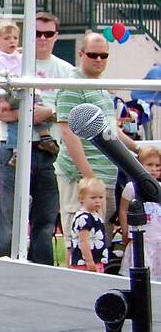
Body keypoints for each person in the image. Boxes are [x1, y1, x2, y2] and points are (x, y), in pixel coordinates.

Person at [0, 12, 74, 263]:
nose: (42, 38)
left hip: (50, 151)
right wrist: (24, 115)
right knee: (9, 218)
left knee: (45, 221)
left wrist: (48, 112)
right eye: (36, 33)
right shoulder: (11, 61)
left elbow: (73, 112)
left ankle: (43, 272)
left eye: (48, 34)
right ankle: (3, 270)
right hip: (13, 147)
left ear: (56, 36)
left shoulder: (66, 71)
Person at [55, 31, 138, 252]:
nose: (99, 60)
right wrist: (89, 175)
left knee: (102, 242)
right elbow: (68, 133)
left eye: (104, 55)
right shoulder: (73, 86)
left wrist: (138, 148)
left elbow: (110, 129)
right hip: (82, 179)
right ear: (81, 54)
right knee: (81, 244)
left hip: (105, 178)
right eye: (93, 55)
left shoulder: (100, 86)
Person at [119, 144, 161, 269]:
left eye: (157, 166)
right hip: (141, 238)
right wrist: (125, 231)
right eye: (149, 165)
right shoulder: (132, 187)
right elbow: (123, 210)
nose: (153, 169)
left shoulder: (159, 188)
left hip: (158, 239)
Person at [69, 177, 109, 272]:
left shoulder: (95, 215)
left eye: (101, 197)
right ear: (81, 198)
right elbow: (84, 241)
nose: (97, 201)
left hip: (97, 260)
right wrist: (89, 261)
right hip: (84, 263)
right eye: (93, 197)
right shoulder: (84, 218)